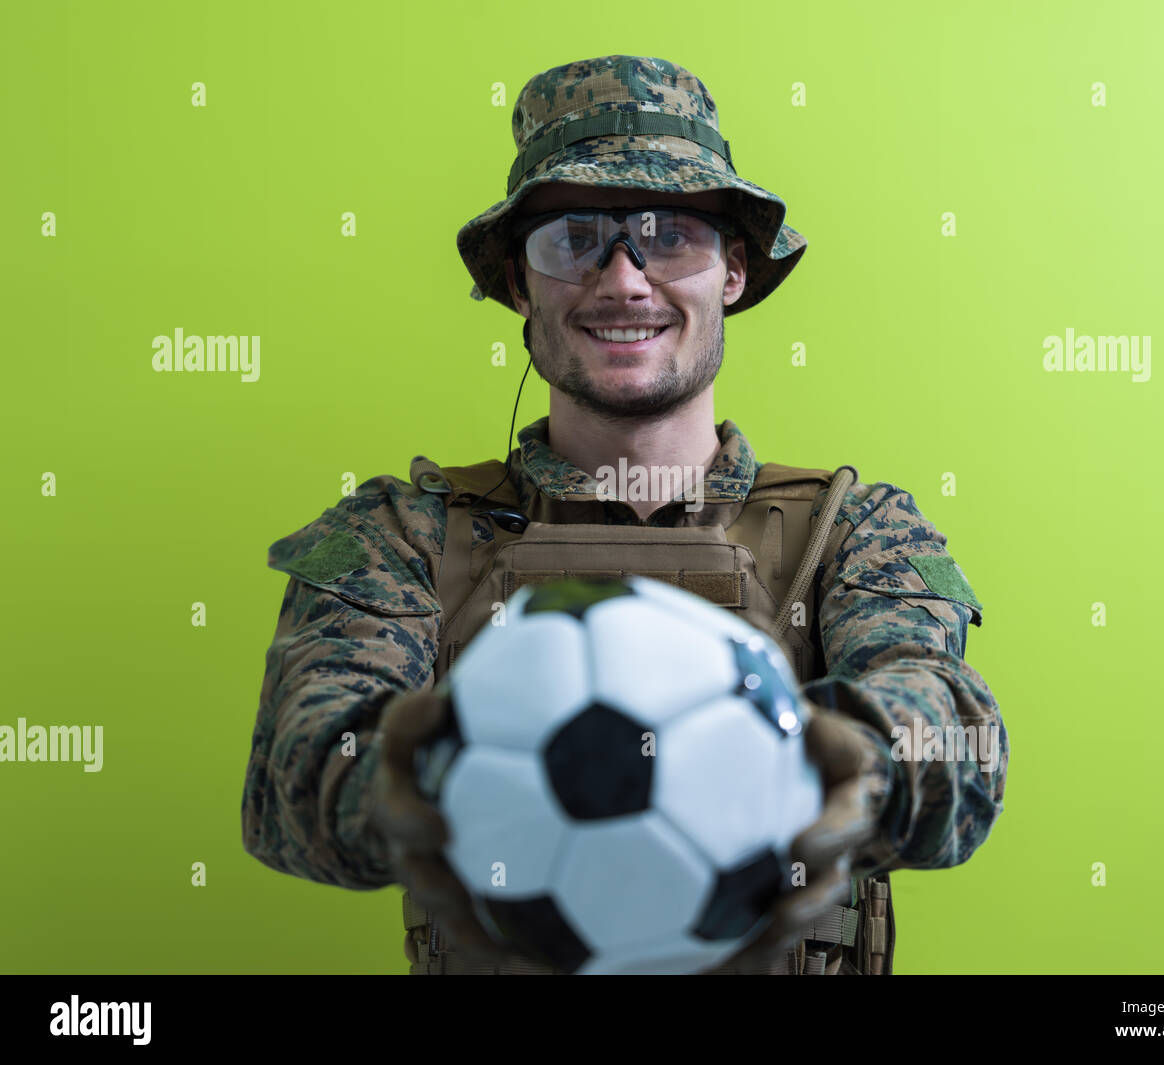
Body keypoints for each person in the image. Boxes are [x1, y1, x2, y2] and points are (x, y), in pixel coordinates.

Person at [241, 54, 1008, 975]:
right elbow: (296, 780)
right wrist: (441, 776)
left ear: (734, 270)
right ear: (521, 288)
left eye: (669, 235)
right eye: (574, 239)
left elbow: (955, 749)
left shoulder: (853, 533)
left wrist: (821, 768)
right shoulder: (404, 536)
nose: (625, 280)